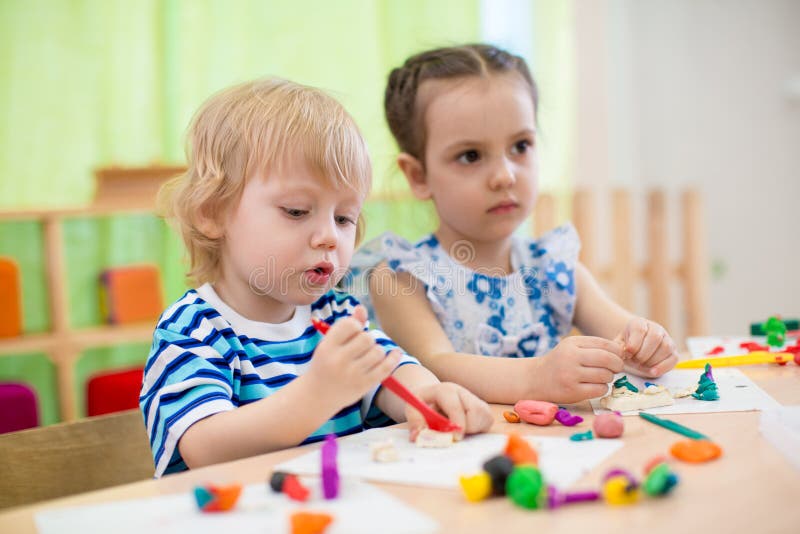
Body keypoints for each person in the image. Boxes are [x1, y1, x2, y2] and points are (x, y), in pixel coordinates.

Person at [140, 78, 492, 477]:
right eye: (296, 211)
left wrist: (429, 395)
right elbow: (205, 447)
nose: (329, 236)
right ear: (212, 213)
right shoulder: (193, 328)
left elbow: (392, 371)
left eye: (344, 218)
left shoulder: (336, 312)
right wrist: (316, 395)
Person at [345, 44, 679, 406]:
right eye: (470, 155)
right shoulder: (402, 276)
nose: (504, 175)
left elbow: (626, 338)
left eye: (521, 146)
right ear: (418, 175)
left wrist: (647, 344)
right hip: (458, 458)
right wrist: (536, 377)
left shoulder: (556, 269)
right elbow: (434, 365)